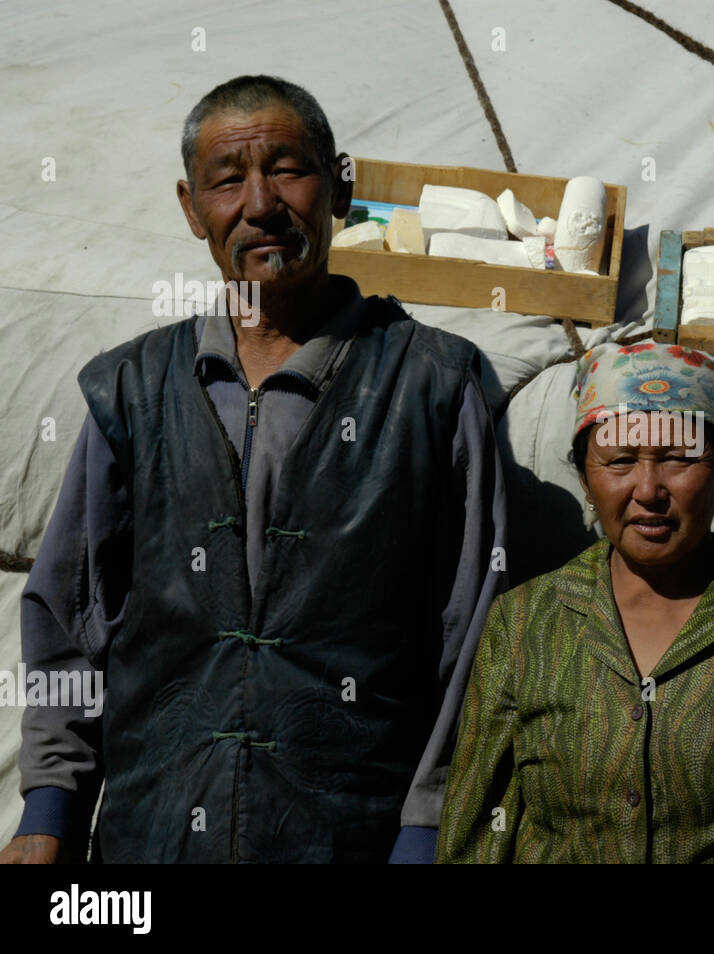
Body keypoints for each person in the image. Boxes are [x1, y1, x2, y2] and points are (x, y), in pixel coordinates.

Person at [0, 75, 506, 864]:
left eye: (288, 169)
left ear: (340, 186)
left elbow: (476, 631)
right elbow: (69, 613)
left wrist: (423, 833)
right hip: (150, 838)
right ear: (190, 205)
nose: (261, 202)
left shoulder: (437, 384)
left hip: (350, 837)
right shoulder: (131, 389)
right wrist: (49, 812)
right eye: (228, 179)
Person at [437, 341, 714, 862]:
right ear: (585, 477)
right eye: (620, 460)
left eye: (679, 459)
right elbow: (477, 829)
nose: (648, 489)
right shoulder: (522, 623)